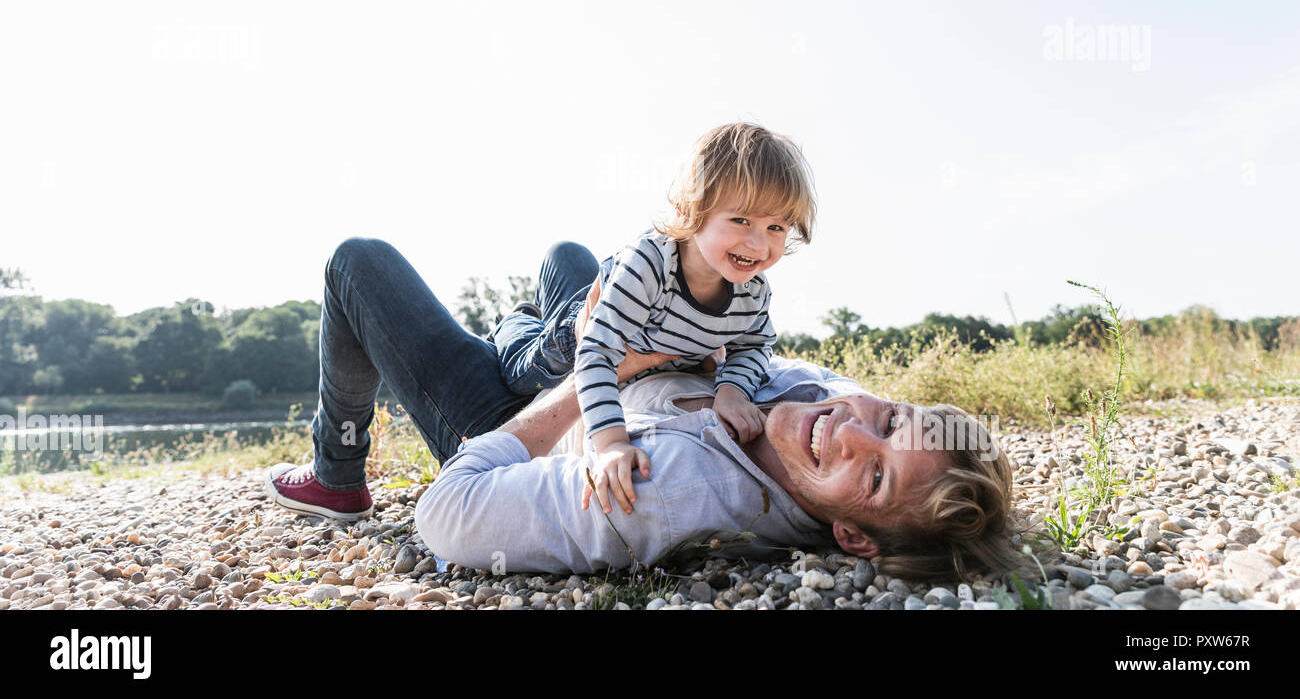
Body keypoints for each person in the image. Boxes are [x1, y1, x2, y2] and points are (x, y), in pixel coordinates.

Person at [266, 236, 1018, 582]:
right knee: (572, 258)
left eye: (876, 477)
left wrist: (595, 367)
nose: (849, 429)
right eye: (888, 420)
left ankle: (338, 473)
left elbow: (448, 511)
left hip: (518, 423)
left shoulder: (674, 489)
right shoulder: (824, 400)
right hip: (614, 371)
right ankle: (531, 335)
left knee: (357, 264)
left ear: (852, 535)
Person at [503, 122, 816, 518]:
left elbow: (754, 346)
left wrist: (732, 389)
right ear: (691, 209)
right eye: (741, 221)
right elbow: (596, 354)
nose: (758, 243)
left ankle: (538, 303)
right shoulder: (651, 264)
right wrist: (612, 443)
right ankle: (514, 322)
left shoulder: (752, 292)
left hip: (624, 329)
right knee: (518, 372)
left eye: (776, 227)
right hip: (571, 349)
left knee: (567, 255)